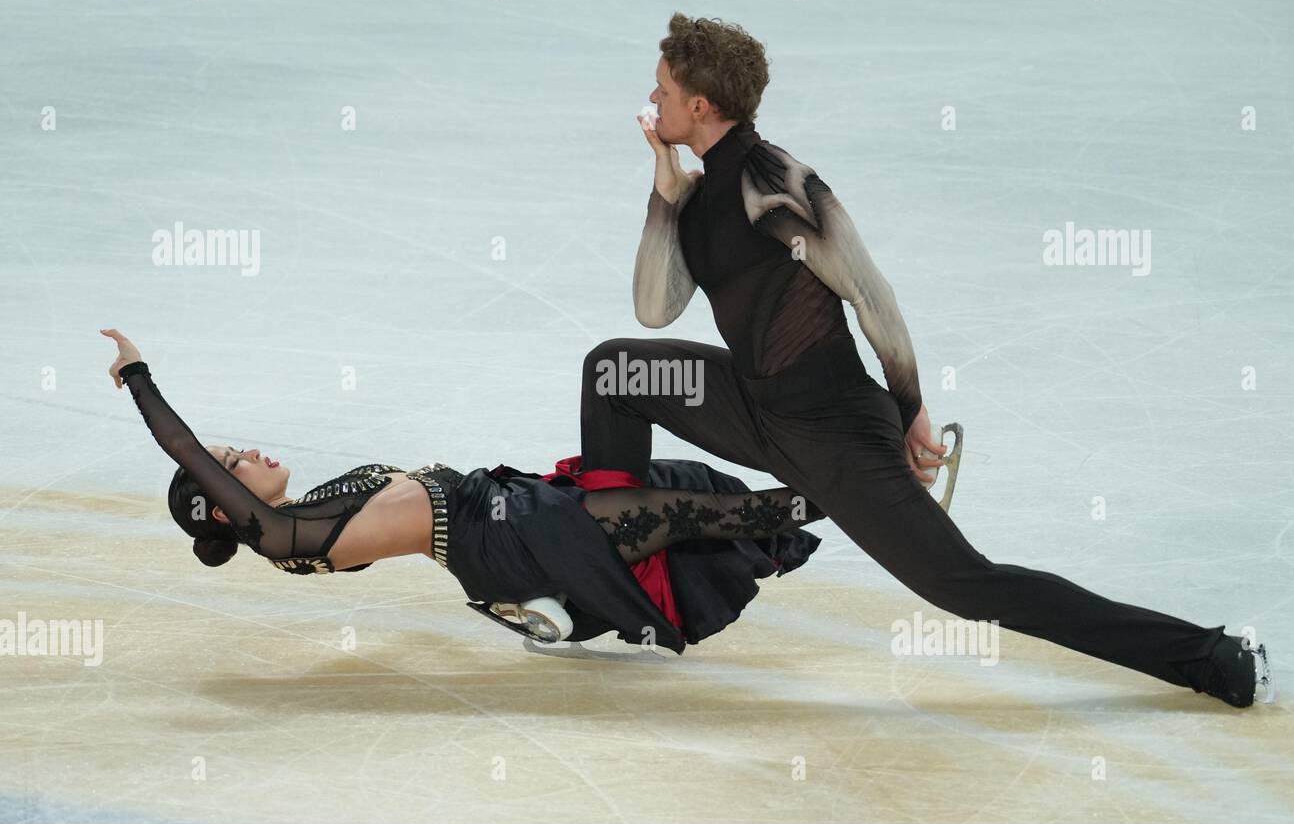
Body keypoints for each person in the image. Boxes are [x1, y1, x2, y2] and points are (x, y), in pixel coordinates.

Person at [577, 12, 1274, 707]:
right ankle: (622, 589)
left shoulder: (778, 184)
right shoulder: (695, 197)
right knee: (615, 371)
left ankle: (1206, 655)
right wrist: (665, 199)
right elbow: (654, 308)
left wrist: (910, 410)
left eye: (663, 89)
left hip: (833, 430)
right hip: (754, 405)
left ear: (699, 105)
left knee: (967, 583)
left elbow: (870, 293)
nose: (653, 100)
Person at [100, 328, 824, 653]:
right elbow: (185, 449)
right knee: (690, 513)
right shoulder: (286, 536)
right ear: (224, 504)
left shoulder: (303, 514)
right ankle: (860, 488)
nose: (249, 451)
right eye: (234, 462)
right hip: (507, 537)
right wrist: (139, 376)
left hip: (507, 515)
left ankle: (852, 483)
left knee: (682, 491)